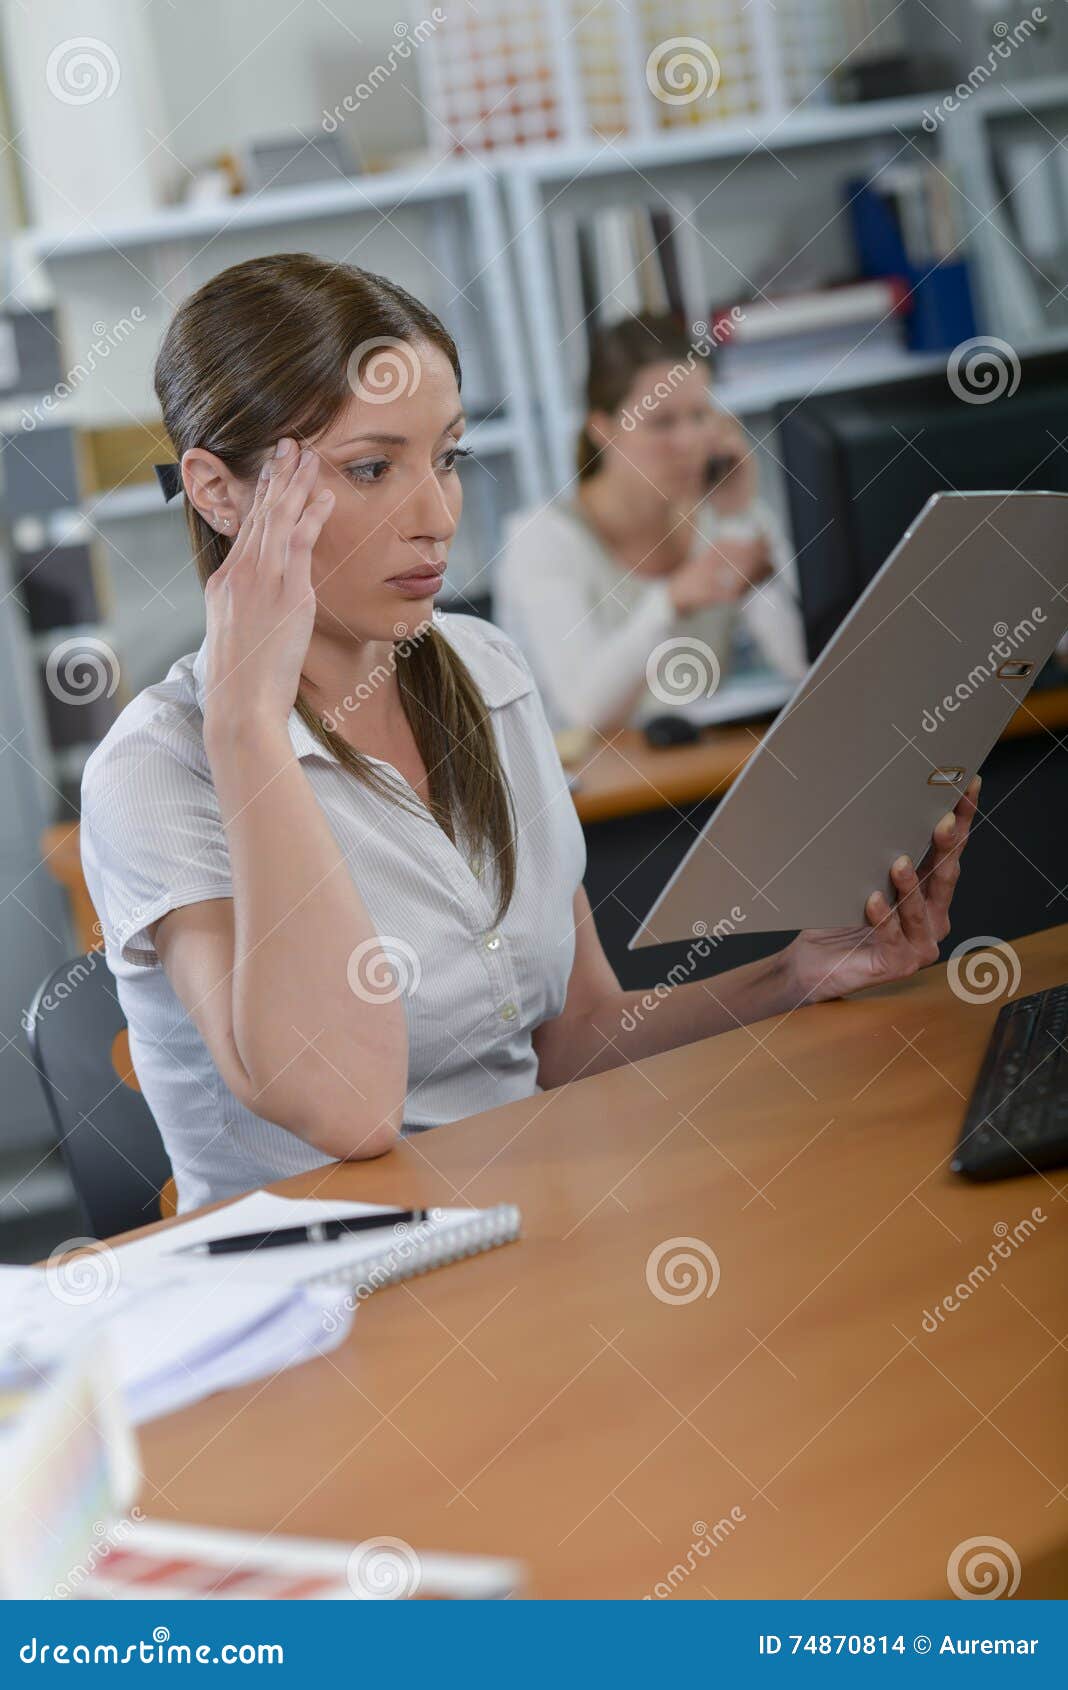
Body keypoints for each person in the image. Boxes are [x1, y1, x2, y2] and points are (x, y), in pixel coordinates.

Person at [79, 254, 978, 1214]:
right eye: (373, 467)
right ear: (219, 492)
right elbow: (348, 1112)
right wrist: (252, 727)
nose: (437, 517)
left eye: (449, 456)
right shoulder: (158, 767)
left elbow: (570, 1035)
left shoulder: (484, 672)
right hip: (323, 1312)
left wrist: (798, 972)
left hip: (534, 1226)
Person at [495, 313, 809, 733]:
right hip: (602, 792)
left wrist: (739, 519)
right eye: (661, 422)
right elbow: (586, 713)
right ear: (602, 430)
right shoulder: (544, 538)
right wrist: (671, 601)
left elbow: (805, 667)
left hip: (700, 777)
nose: (688, 442)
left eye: (700, 416)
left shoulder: (727, 516)